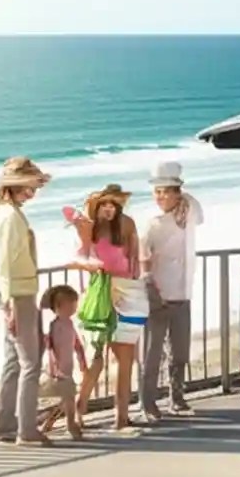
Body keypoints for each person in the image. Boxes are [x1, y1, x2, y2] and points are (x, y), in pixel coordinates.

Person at [0, 155, 53, 446]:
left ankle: (4, 425)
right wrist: (12, 304)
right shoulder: (10, 216)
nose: (33, 192)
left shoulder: (6, 212)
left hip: (15, 293)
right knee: (30, 363)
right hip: (19, 295)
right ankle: (26, 430)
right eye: (30, 185)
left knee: (14, 361)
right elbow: (8, 264)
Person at [70, 184, 144, 433]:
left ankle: (121, 417)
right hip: (99, 296)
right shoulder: (89, 229)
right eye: (105, 204)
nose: (109, 209)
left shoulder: (127, 225)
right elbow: (77, 256)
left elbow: (135, 262)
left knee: (124, 360)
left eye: (113, 204)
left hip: (127, 294)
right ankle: (77, 413)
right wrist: (91, 265)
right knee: (95, 360)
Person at [139, 161, 204, 420]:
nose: (161, 197)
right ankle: (147, 404)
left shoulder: (188, 212)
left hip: (182, 290)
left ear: (178, 193)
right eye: (157, 192)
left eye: (166, 191)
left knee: (180, 351)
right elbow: (143, 259)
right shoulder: (151, 223)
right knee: (153, 352)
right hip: (158, 294)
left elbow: (199, 210)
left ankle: (176, 399)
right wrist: (151, 290)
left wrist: (180, 188)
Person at [38, 285, 87, 440]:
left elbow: (76, 342)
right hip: (59, 369)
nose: (73, 308)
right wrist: (54, 365)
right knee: (69, 397)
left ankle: (51, 420)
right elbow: (51, 347)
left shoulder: (70, 324)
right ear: (58, 307)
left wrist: (81, 358)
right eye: (70, 305)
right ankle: (71, 425)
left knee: (67, 398)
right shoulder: (55, 325)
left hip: (68, 368)